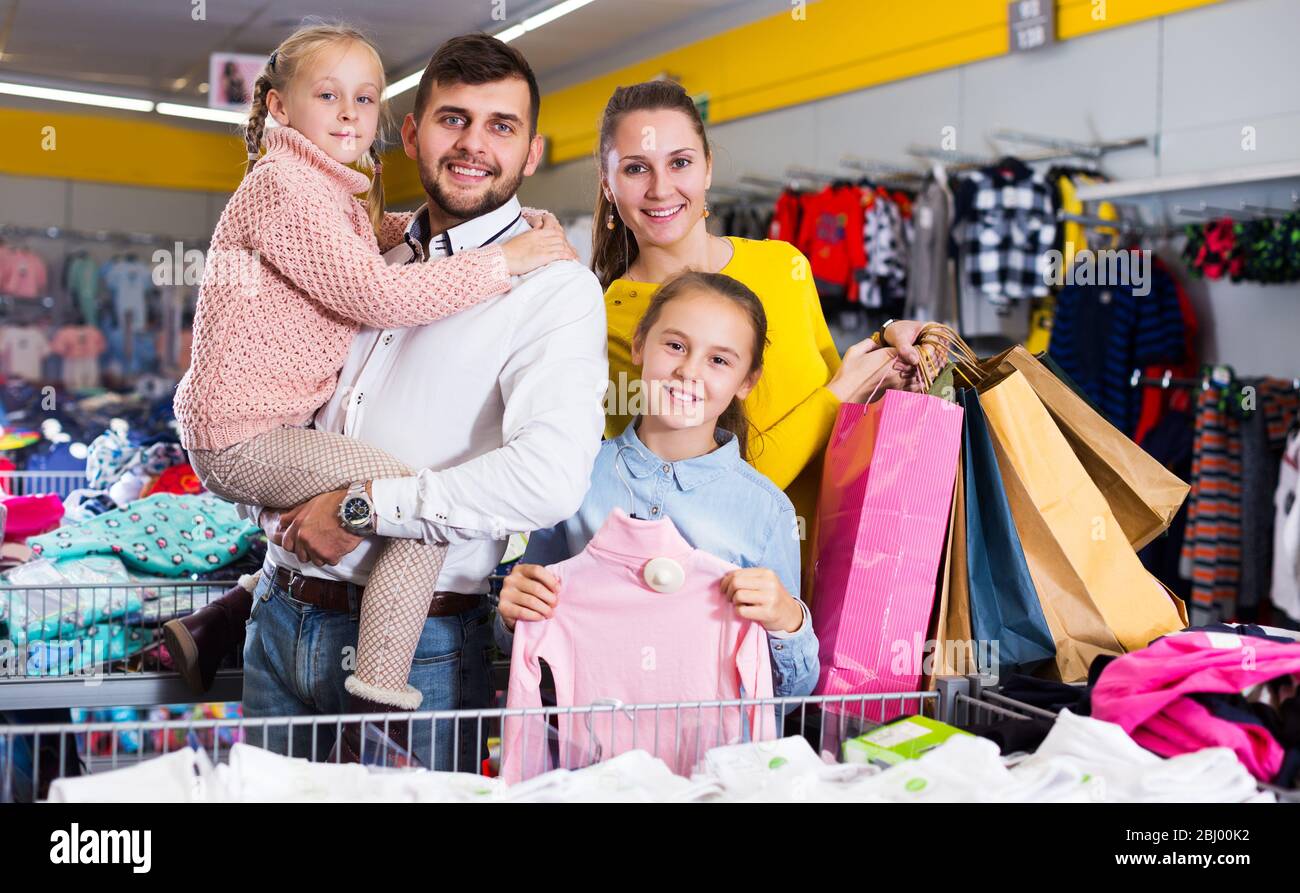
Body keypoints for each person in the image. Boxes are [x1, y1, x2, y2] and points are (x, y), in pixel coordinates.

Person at [167, 23, 575, 745]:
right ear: (413, 135)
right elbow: (368, 292)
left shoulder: (552, 287)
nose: (475, 144)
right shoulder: (323, 211)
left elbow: (549, 480)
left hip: (430, 640)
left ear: (531, 151)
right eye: (455, 119)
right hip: (283, 612)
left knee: (403, 507)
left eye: (501, 126)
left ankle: (381, 687)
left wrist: (361, 508)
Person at [592, 80, 935, 595]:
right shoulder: (608, 322)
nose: (661, 188)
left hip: (855, 560)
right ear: (607, 184)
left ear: (708, 166)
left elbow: (837, 409)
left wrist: (889, 355)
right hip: (728, 590)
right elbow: (708, 489)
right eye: (636, 168)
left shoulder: (783, 265)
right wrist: (841, 392)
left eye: (680, 162)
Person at [497, 271, 833, 704]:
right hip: (590, 749)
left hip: (711, 755)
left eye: (719, 361)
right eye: (675, 345)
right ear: (639, 345)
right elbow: (524, 643)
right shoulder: (573, 474)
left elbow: (792, 692)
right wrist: (512, 615)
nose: (688, 370)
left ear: (746, 382)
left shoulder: (769, 512)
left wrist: (788, 620)